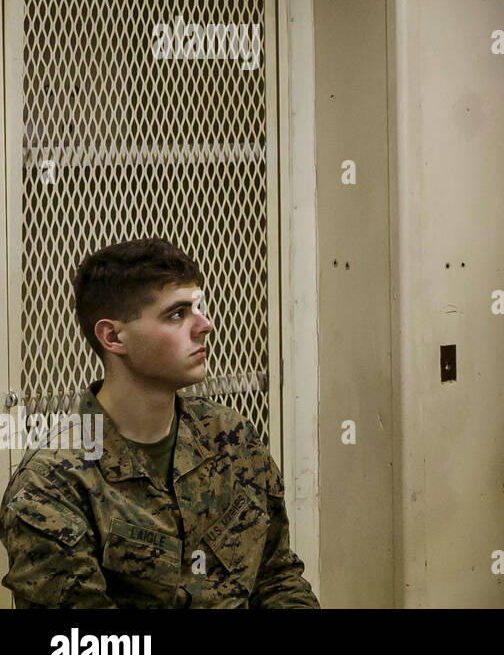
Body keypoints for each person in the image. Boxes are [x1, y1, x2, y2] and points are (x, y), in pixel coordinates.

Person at [1, 238, 319, 608]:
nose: (205, 325)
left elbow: (277, 577)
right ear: (113, 336)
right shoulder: (53, 482)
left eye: (198, 308)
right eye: (177, 314)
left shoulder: (230, 437)